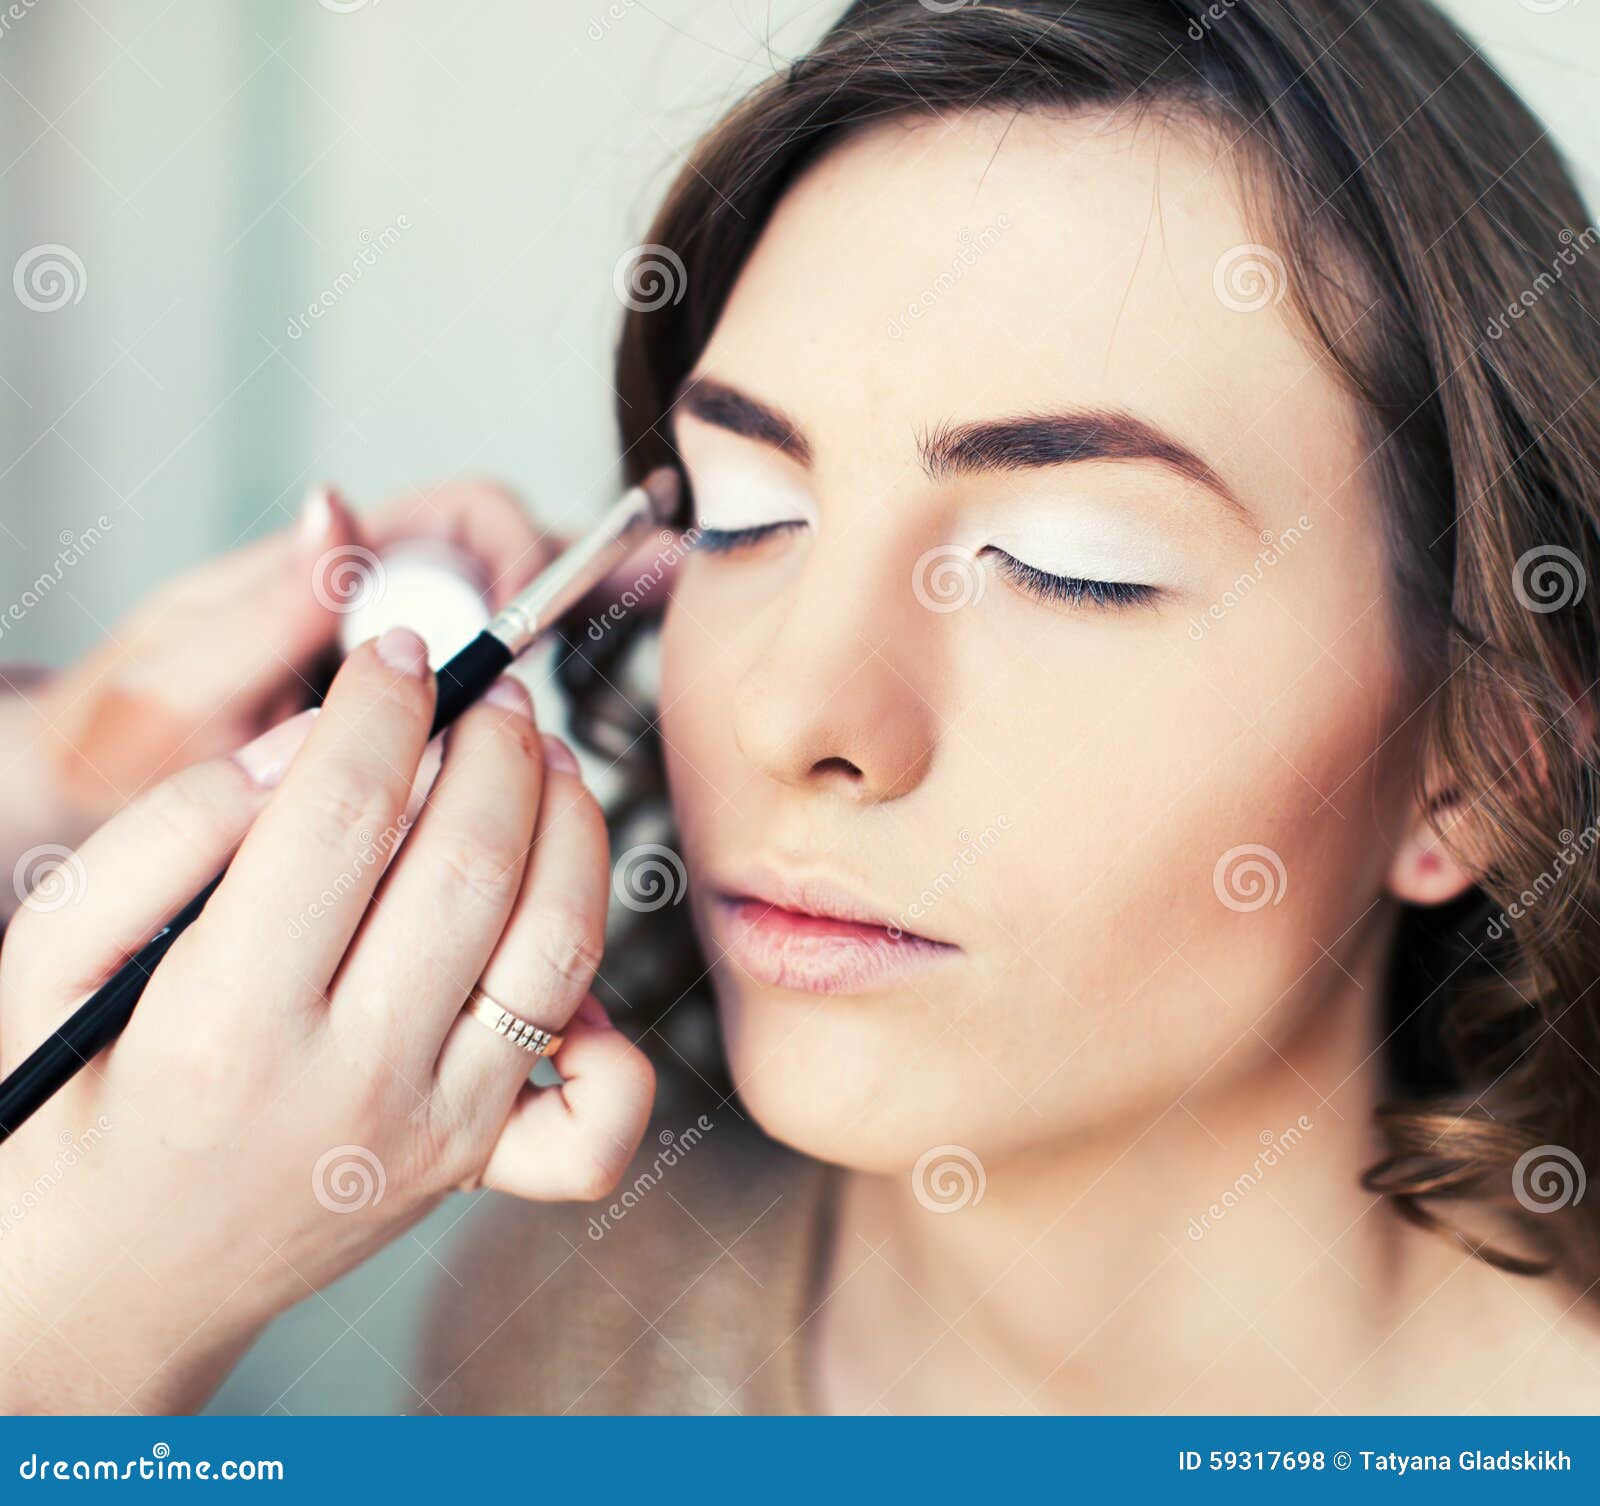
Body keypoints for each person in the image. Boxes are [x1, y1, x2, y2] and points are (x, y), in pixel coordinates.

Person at [4, 0, 1600, 1416]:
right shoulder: (571, 1331)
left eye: (1071, 564)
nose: (798, 714)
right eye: (746, 513)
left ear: (1476, 763)